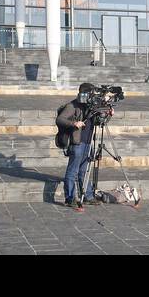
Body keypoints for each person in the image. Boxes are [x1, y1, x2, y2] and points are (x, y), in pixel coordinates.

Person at [56, 82, 97, 211]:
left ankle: (88, 196)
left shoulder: (92, 105)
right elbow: (60, 119)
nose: (92, 96)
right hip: (77, 143)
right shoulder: (72, 105)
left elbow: (99, 120)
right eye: (91, 93)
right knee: (73, 171)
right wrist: (74, 123)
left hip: (88, 142)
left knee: (84, 171)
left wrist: (107, 113)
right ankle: (70, 198)